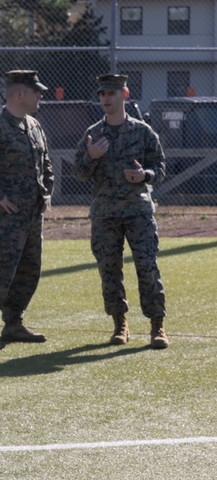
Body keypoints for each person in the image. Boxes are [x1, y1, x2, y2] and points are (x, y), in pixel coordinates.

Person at [74, 74, 168, 348]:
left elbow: (160, 167)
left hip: (138, 212)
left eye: (111, 93)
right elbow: (78, 173)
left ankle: (157, 326)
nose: (106, 98)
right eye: (102, 93)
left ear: (124, 95)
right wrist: (91, 157)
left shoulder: (143, 132)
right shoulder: (93, 133)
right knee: (109, 271)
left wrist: (145, 175)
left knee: (148, 267)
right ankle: (120, 324)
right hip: (105, 214)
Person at [0, 69, 54, 349]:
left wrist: (46, 193)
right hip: (9, 215)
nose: (40, 95)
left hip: (32, 214)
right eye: (35, 91)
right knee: (3, 268)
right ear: (19, 93)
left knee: (30, 269)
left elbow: (46, 164)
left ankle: (14, 323)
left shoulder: (34, 126)